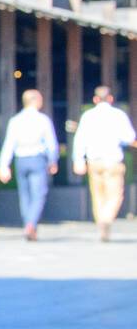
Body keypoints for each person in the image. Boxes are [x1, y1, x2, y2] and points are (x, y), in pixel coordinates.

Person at [70, 85, 137, 241]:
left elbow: (80, 140)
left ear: (95, 99)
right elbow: (128, 137)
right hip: (113, 160)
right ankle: (107, 218)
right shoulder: (118, 115)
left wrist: (78, 160)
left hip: (94, 161)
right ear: (111, 99)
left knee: (98, 194)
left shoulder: (87, 116)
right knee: (115, 194)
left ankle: (101, 220)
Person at [0, 89, 59, 241]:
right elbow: (51, 143)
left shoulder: (15, 120)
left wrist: (3, 165)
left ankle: (28, 224)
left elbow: (9, 144)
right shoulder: (43, 120)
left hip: (21, 160)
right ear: (36, 101)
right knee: (38, 194)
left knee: (25, 195)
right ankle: (31, 224)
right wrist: (53, 160)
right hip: (37, 159)